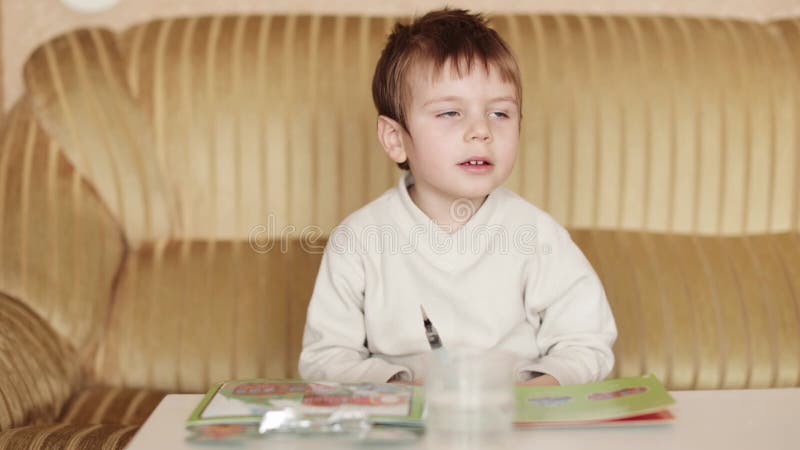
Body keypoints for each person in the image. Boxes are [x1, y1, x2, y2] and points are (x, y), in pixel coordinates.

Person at [298, 8, 617, 386]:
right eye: (450, 112)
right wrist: (399, 387)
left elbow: (587, 344)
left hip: (515, 416)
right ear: (395, 138)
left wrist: (536, 391)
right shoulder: (359, 241)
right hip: (403, 418)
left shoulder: (537, 236)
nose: (481, 130)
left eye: (500, 113)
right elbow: (325, 358)